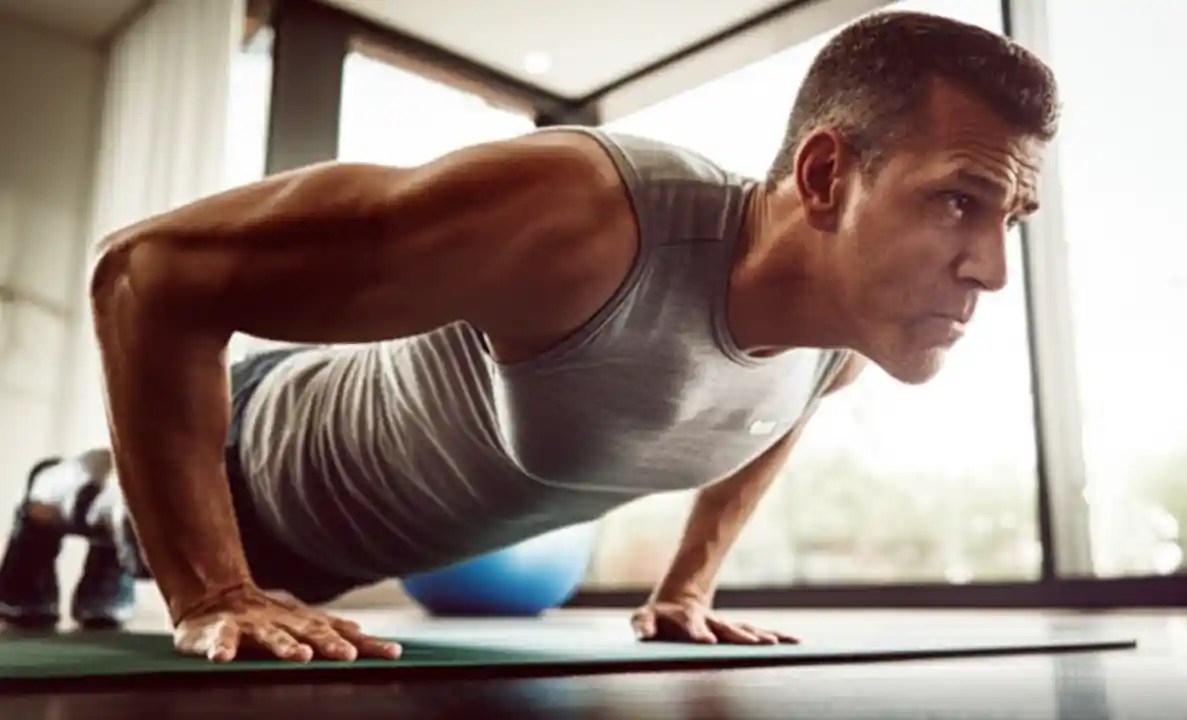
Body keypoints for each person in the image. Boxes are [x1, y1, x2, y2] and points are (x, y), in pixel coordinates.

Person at [0, 11, 1057, 662]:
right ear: (826, 177)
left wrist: (686, 584)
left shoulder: (839, 339)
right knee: (115, 516)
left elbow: (769, 418)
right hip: (256, 470)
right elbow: (147, 273)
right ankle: (53, 501)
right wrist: (214, 588)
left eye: (1008, 219)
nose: (991, 271)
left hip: (342, 557)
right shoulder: (583, 216)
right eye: (958, 202)